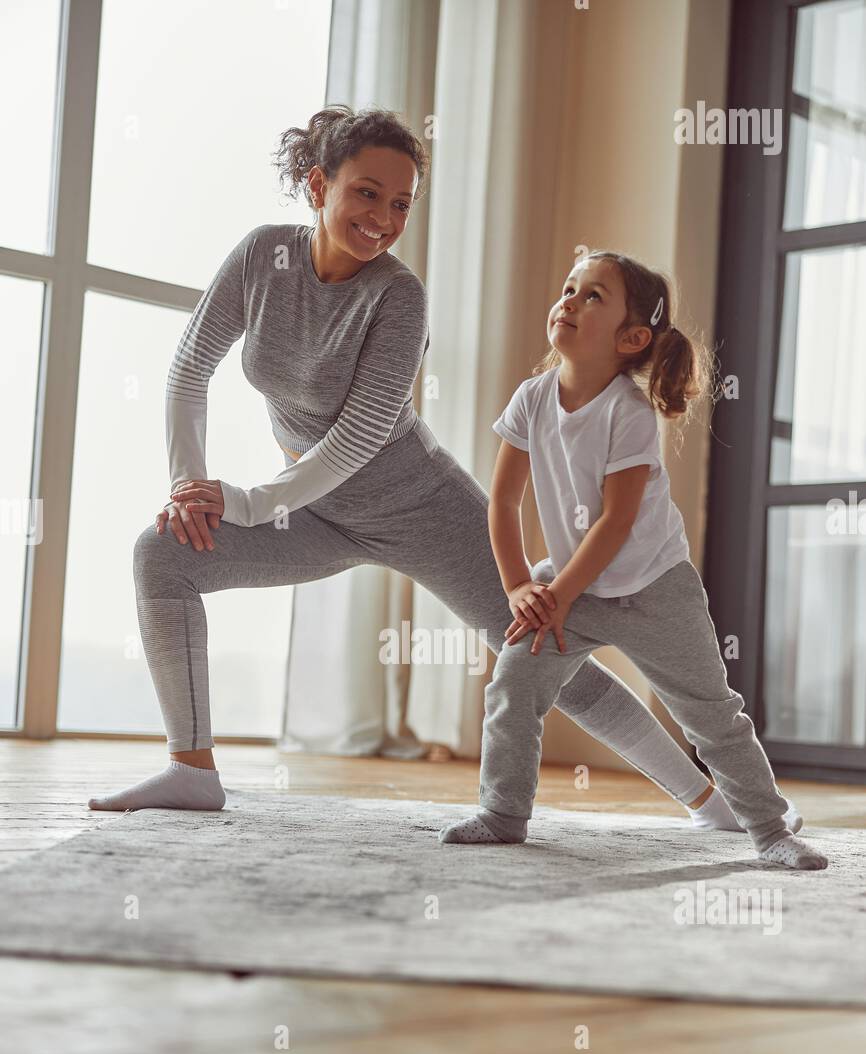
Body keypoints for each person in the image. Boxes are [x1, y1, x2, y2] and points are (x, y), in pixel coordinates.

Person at [87, 105, 794, 839]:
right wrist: (188, 488)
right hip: (310, 510)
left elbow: (359, 438)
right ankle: (193, 769)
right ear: (318, 185)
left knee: (544, 647)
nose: (383, 219)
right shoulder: (262, 257)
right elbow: (189, 369)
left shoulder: (399, 296)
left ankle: (707, 802)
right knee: (161, 554)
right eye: (367, 193)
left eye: (401, 204)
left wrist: (242, 501)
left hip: (421, 507)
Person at [438, 249, 826, 870]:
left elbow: (616, 523)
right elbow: (504, 501)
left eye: (593, 295)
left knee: (712, 716)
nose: (569, 300)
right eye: (569, 288)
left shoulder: (629, 411)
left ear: (632, 338)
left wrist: (557, 596)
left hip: (654, 589)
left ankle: (771, 831)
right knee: (513, 684)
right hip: (571, 586)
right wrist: (519, 588)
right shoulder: (532, 398)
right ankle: (503, 814)